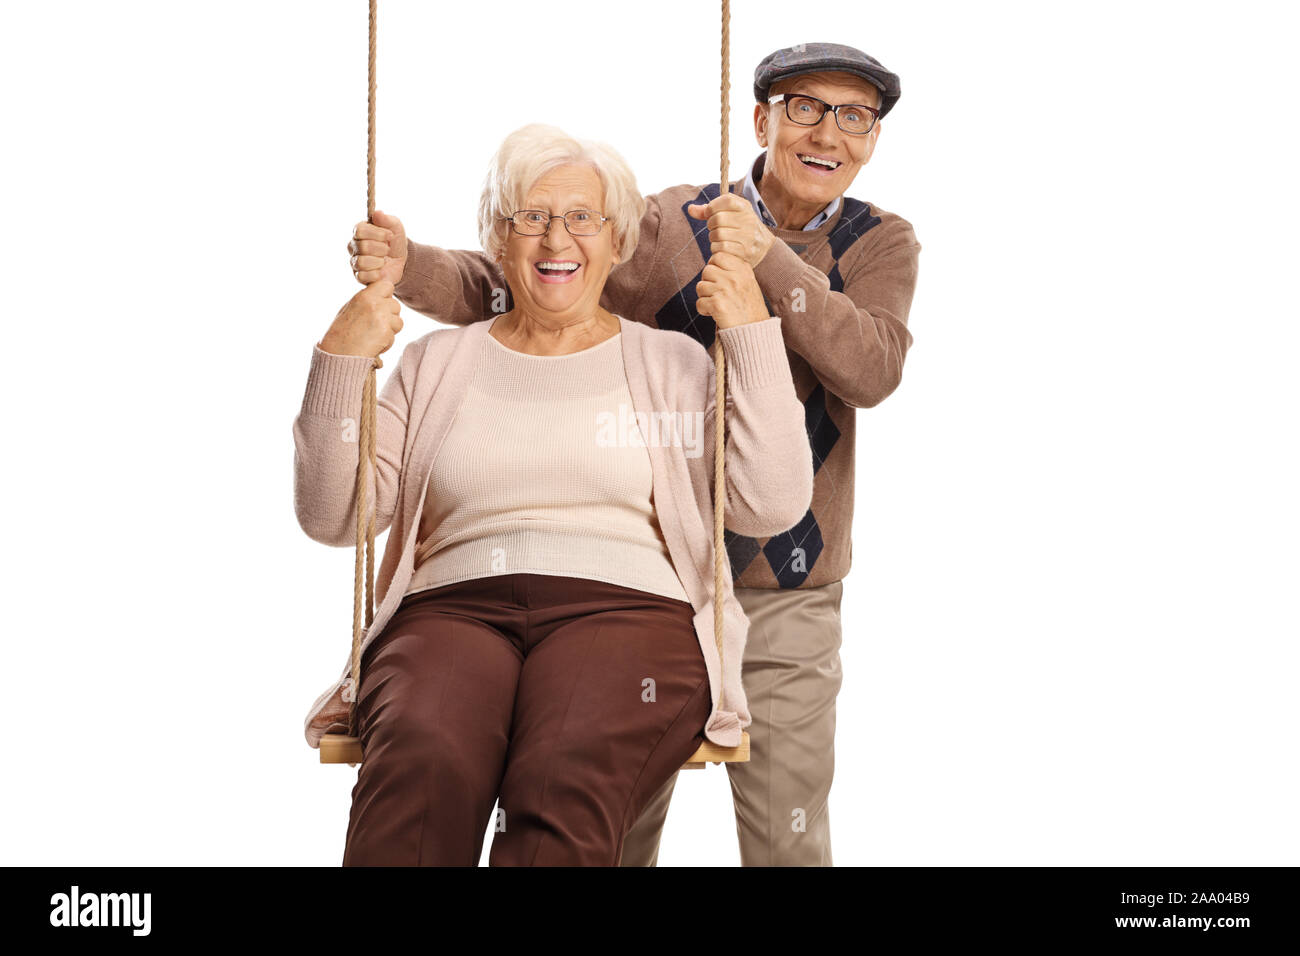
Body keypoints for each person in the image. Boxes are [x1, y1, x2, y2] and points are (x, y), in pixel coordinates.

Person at [346, 43, 922, 866]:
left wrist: (768, 263)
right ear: (762, 121)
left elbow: (871, 368)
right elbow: (538, 277)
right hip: (648, 575)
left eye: (854, 117)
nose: (827, 132)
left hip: (785, 581)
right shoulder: (675, 222)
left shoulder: (882, 243)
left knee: (784, 831)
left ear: (871, 140)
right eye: (804, 107)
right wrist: (412, 271)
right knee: (600, 815)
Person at [294, 122, 813, 866]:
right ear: (498, 240)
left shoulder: (673, 365)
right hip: (450, 610)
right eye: (530, 217)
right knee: (424, 754)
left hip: (628, 609)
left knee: (563, 769)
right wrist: (341, 360)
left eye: (582, 219)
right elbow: (333, 514)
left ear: (618, 242)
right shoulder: (435, 363)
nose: (555, 240)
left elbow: (771, 503)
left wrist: (752, 331)